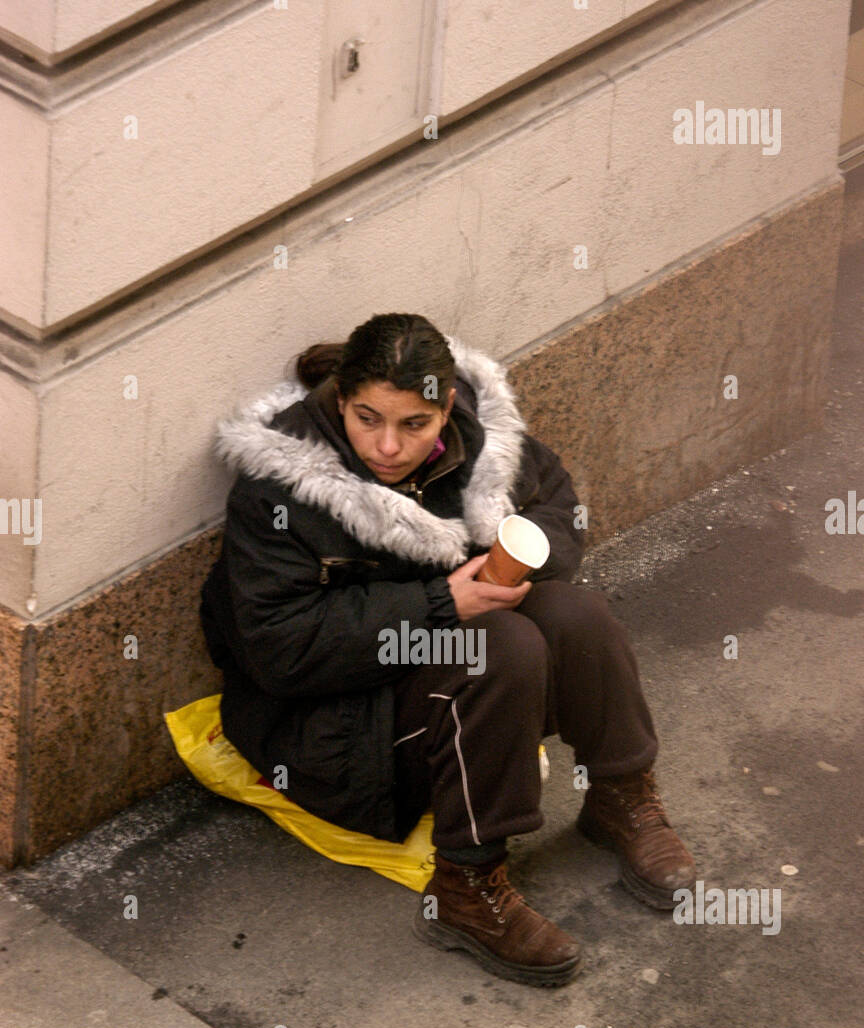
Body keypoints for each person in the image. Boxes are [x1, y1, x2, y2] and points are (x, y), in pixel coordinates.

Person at [199, 312, 696, 988]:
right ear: (340, 399)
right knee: (498, 646)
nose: (388, 446)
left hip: (436, 689)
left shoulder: (481, 445)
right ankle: (466, 886)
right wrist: (441, 603)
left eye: (414, 425)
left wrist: (511, 560)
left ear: (447, 406)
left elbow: (557, 511)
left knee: (573, 613)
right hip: (330, 728)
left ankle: (620, 796)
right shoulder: (279, 492)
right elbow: (278, 649)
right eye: (368, 419)